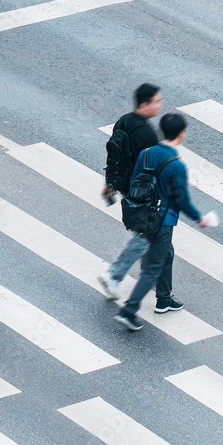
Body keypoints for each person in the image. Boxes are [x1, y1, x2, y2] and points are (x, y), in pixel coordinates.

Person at [115, 113, 207, 331]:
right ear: (181, 134)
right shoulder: (177, 166)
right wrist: (199, 218)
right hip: (162, 221)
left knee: (166, 253)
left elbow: (135, 183)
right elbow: (182, 200)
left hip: (142, 216)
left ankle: (164, 299)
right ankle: (129, 310)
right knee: (153, 267)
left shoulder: (146, 154)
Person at [98, 83, 162, 300]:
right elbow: (155, 168)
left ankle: (149, 276)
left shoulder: (123, 121)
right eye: (157, 101)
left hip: (126, 186)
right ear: (145, 104)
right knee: (144, 234)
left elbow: (114, 156)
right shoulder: (147, 135)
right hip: (142, 191)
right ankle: (114, 275)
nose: (159, 105)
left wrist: (111, 183)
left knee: (148, 234)